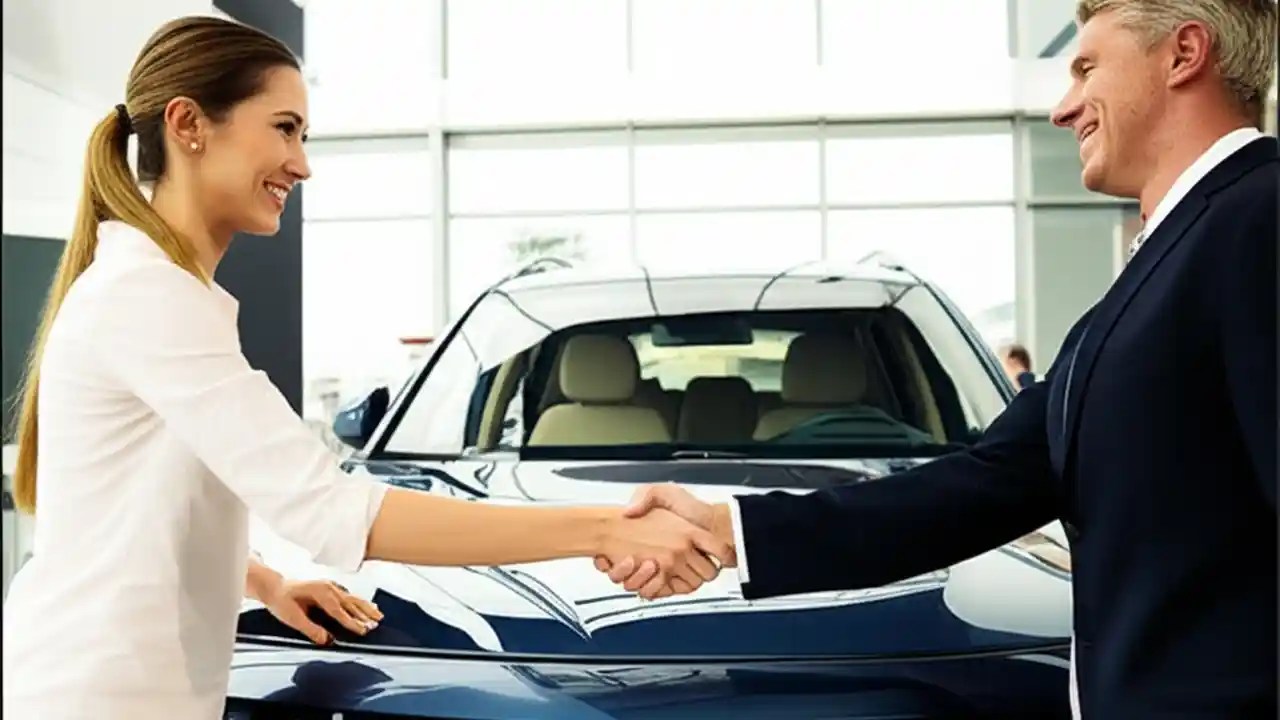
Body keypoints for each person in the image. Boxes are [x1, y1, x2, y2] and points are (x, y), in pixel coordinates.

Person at [0, 16, 731, 719]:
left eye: (303, 135)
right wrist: (605, 530)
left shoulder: (160, 291)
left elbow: (139, 508)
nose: (302, 163)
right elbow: (334, 511)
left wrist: (260, 581)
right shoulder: (150, 295)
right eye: (284, 128)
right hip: (91, 695)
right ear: (189, 124)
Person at [600, 1, 1277, 717]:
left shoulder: (1258, 223)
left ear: (1184, 54)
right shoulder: (1171, 261)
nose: (1063, 108)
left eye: (1086, 68)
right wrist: (728, 529)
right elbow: (987, 483)